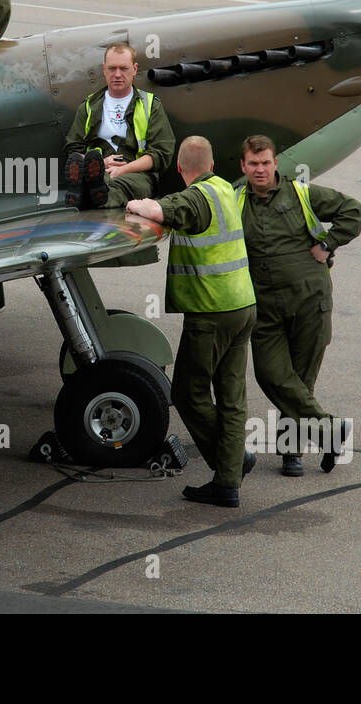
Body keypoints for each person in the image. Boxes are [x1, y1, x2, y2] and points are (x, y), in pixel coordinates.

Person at [127, 136, 257, 507]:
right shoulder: (225, 189)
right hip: (243, 305)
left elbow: (157, 211)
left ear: (181, 169)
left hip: (211, 312)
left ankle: (230, 465)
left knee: (188, 392)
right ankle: (228, 479)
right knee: (232, 399)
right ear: (212, 165)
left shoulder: (195, 197)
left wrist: (132, 201)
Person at [236, 134, 361, 475]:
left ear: (276, 163)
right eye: (253, 164)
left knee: (301, 381)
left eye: (265, 163)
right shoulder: (236, 202)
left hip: (310, 303)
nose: (260, 169)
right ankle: (331, 431)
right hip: (264, 308)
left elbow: (354, 212)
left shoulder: (303, 194)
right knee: (271, 375)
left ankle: (290, 453)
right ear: (243, 166)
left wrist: (328, 244)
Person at [63, 42, 175, 209]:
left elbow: (161, 153)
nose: (117, 74)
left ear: (135, 69)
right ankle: (91, 191)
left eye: (124, 69)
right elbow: (74, 150)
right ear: (104, 69)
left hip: (136, 174)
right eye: (112, 68)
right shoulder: (88, 106)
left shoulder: (150, 105)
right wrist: (102, 162)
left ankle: (87, 195)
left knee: (118, 186)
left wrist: (123, 170)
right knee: (97, 181)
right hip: (99, 171)